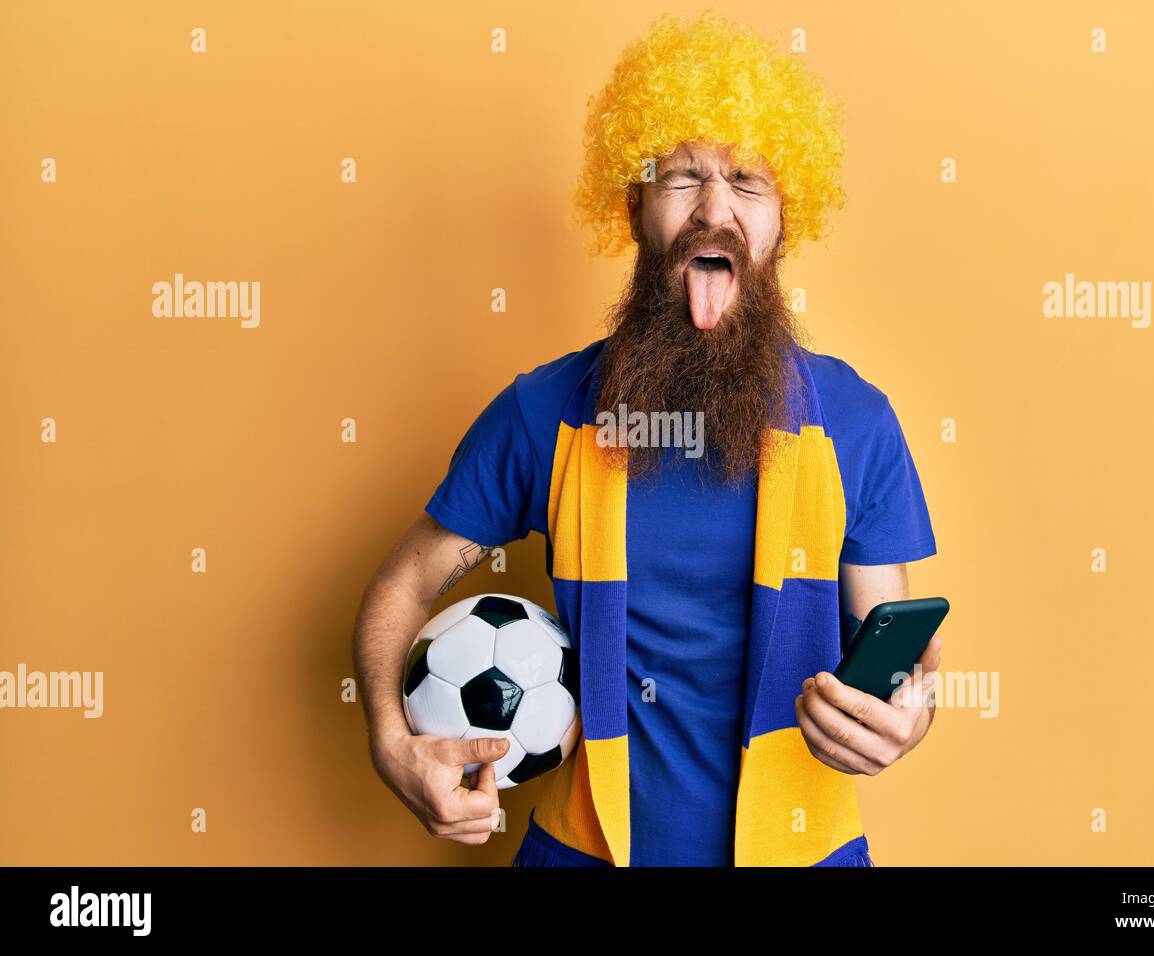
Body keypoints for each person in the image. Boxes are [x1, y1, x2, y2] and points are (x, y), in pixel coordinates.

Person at [352, 10, 941, 867]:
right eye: (680, 178)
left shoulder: (854, 421)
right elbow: (403, 584)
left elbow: (902, 642)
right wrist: (390, 740)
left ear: (784, 220)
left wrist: (910, 710)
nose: (714, 210)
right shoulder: (544, 413)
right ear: (632, 210)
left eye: (747, 180)